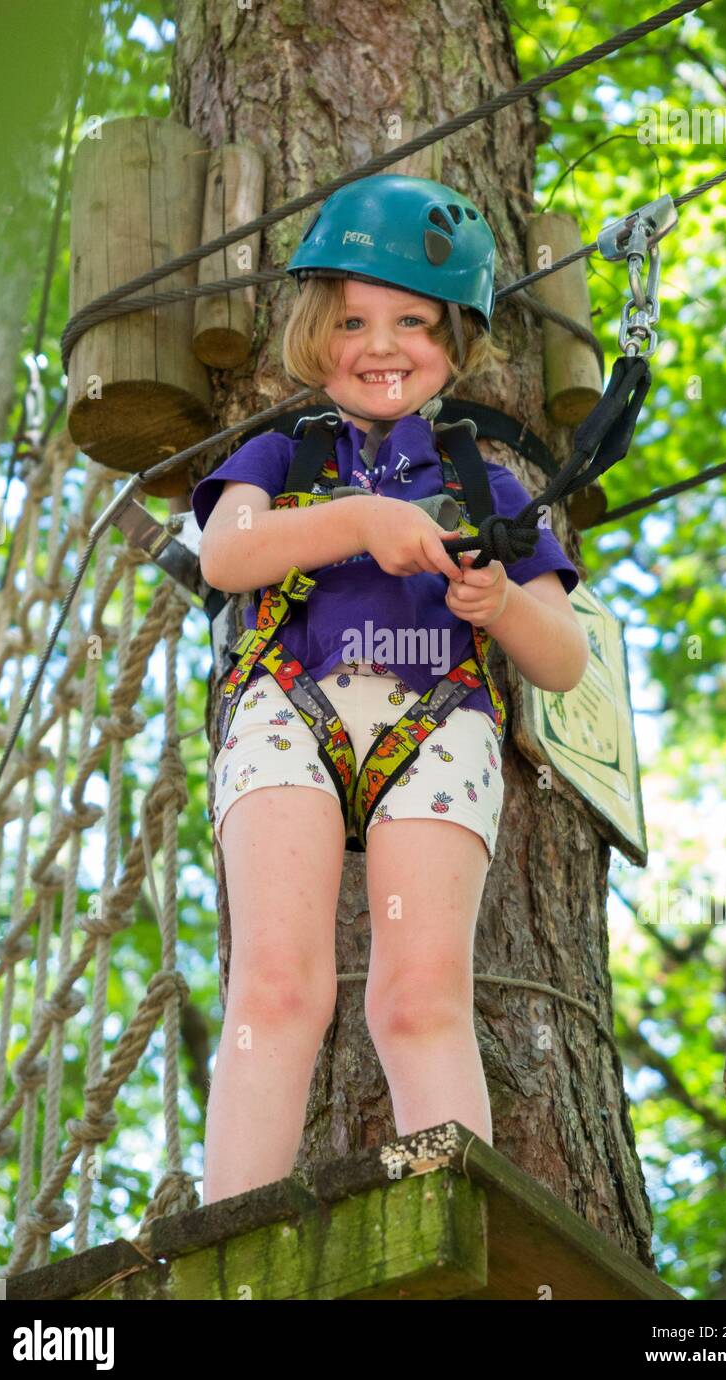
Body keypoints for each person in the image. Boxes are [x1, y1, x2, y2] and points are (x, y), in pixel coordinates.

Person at [191, 175, 588, 1204]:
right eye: (355, 318)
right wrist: (359, 521)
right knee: (278, 986)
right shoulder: (285, 451)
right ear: (318, 333)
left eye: (413, 321)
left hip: (435, 723)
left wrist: (498, 599)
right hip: (292, 704)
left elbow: (564, 657)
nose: (382, 343)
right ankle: (229, 1228)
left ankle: (448, 1218)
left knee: (418, 998)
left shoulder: (482, 477)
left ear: (455, 344)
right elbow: (228, 555)